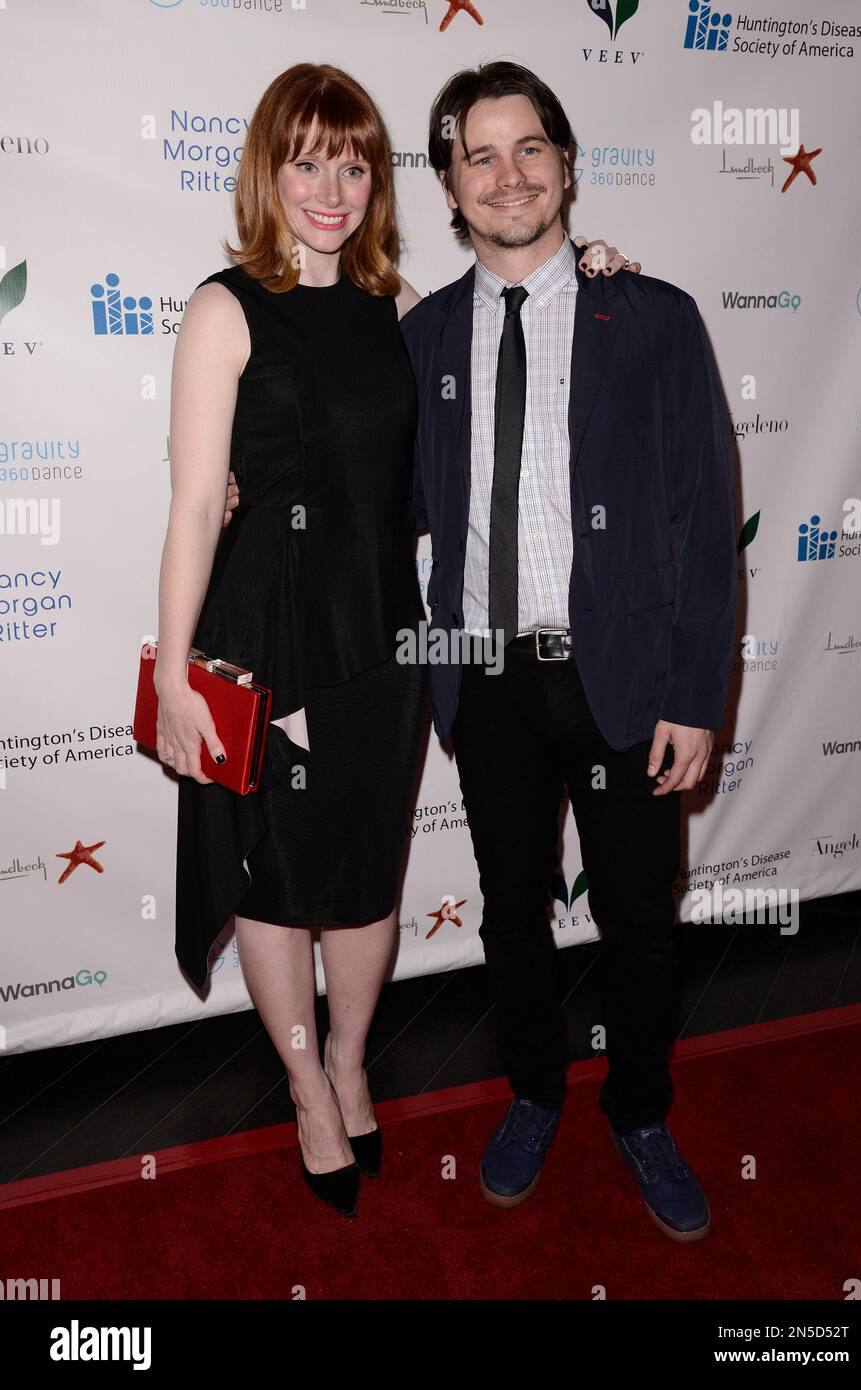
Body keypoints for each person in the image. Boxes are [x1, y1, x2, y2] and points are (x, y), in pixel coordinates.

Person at [156, 61, 636, 1222]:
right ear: (268, 170)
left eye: (354, 161)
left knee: (365, 881)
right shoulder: (224, 307)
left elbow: (464, 444)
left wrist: (600, 274)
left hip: (383, 639)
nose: (332, 185)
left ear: (379, 179)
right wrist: (174, 673)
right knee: (275, 886)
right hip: (264, 641)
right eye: (308, 159)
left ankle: (354, 1059)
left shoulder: (404, 314)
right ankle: (305, 1084)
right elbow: (189, 508)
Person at [399, 62, 737, 1242]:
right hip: (485, 679)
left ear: (566, 161)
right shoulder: (420, 336)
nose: (507, 174)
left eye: (528, 147)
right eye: (478, 154)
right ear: (448, 181)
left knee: (640, 914)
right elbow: (367, 496)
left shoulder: (649, 318)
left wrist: (695, 692)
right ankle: (535, 1091)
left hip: (626, 681)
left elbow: (702, 519)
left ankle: (639, 1110)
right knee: (508, 910)